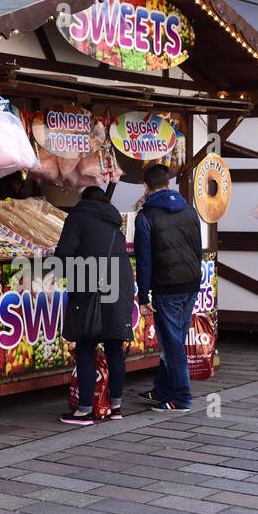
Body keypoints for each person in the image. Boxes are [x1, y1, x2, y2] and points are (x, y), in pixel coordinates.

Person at [56, 186, 136, 425]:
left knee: (85, 346)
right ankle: (116, 407)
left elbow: (64, 253)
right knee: (114, 347)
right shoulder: (114, 220)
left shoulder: (79, 216)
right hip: (120, 285)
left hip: (90, 286)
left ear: (83, 199)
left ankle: (84, 411)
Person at [133, 163, 202, 412]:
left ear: (146, 187)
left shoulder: (145, 216)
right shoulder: (189, 210)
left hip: (168, 287)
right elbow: (199, 249)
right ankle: (162, 389)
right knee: (175, 339)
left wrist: (143, 296)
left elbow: (144, 261)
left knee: (172, 344)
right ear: (169, 184)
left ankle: (182, 397)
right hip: (191, 283)